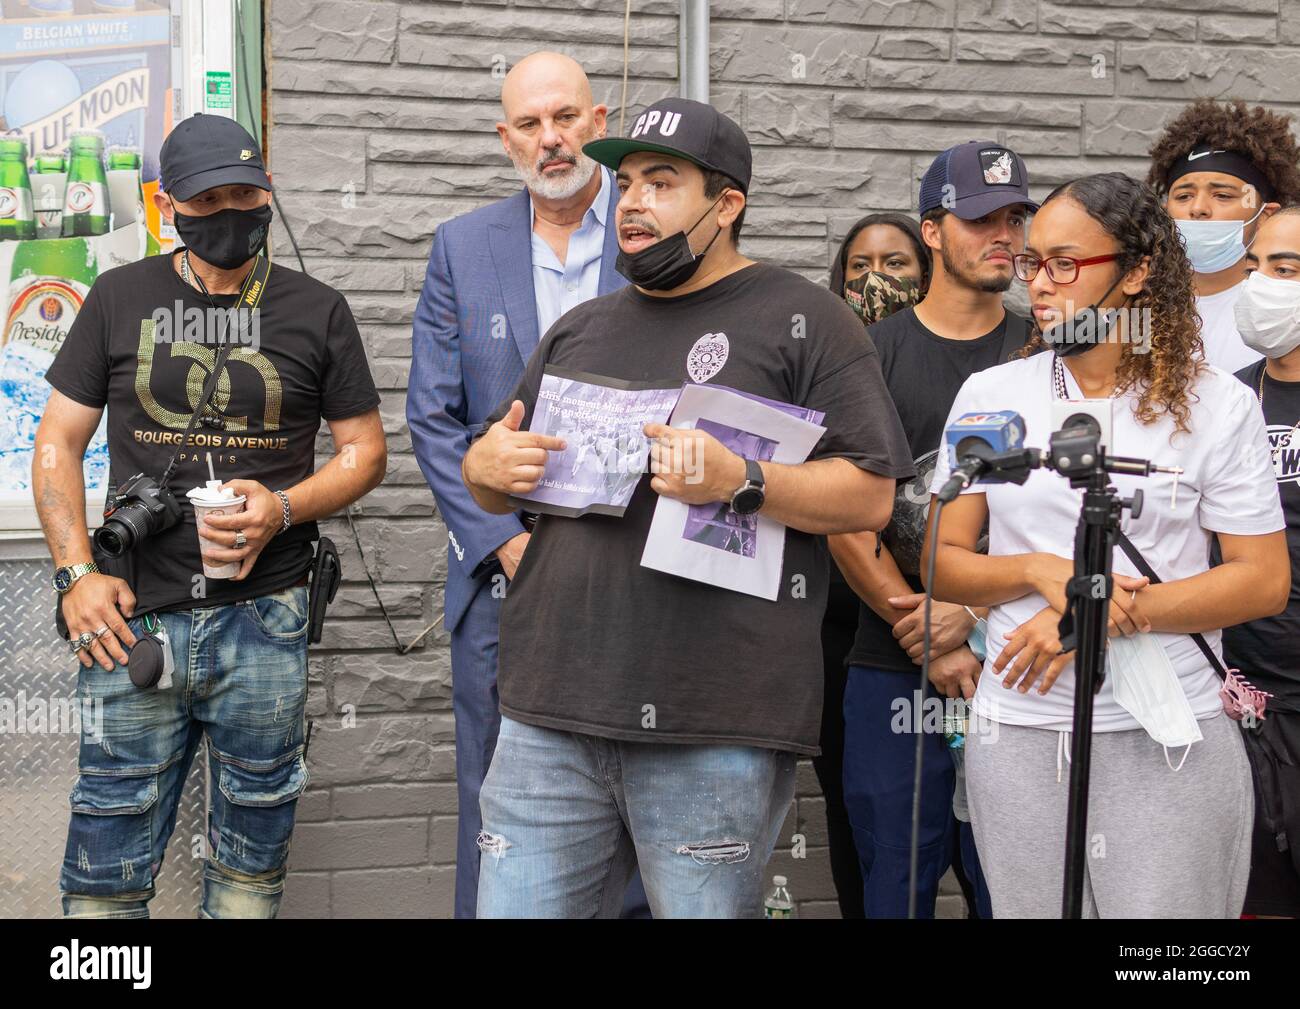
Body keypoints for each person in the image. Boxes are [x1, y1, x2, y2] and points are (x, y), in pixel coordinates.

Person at [461, 97, 913, 918]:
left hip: (715, 724)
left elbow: (871, 492)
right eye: (626, 181)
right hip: (548, 712)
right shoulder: (581, 329)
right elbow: (498, 472)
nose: (632, 200)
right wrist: (485, 466)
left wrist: (741, 477)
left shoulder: (808, 320)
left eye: (661, 182)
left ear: (726, 204)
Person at [34, 113, 386, 918]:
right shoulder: (119, 296)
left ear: (269, 194)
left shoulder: (319, 309)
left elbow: (366, 452)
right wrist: (75, 574)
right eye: (210, 198)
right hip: (131, 620)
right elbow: (57, 439)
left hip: (266, 616)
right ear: (169, 206)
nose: (231, 213)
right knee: (103, 873)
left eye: (247, 193)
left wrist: (283, 507)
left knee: (250, 872)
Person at [927, 171, 1289, 918]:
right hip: (1020, 728)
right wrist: (1039, 570)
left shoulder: (1217, 402)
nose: (1041, 285)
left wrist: (1094, 612)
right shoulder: (991, 394)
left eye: (1065, 263)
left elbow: (1260, 581)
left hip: (1165, 734)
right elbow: (941, 559)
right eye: (1033, 264)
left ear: (1138, 271)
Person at [404, 52, 647, 918]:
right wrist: (502, 541)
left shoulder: (652, 230)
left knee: (637, 800)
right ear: (505, 138)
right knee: (497, 807)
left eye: (567, 118)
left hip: (639, 572)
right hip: (505, 578)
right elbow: (432, 418)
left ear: (600, 120)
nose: (552, 140)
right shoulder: (462, 248)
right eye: (531, 125)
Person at [830, 141, 1035, 919]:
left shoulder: (1045, 353)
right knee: (893, 890)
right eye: (981, 218)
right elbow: (844, 514)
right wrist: (929, 631)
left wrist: (975, 618)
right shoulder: (865, 353)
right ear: (934, 232)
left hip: (1022, 664)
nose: (1004, 236)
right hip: (893, 662)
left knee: (1015, 889)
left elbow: (1069, 515)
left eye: (1016, 217)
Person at [816, 212, 930, 918]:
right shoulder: (826, 359)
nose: (876, 280)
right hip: (840, 622)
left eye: (896, 263)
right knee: (857, 805)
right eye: (858, 267)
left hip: (970, 619)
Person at [1224, 207, 1300, 918]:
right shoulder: (1227, 398)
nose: (1262, 287)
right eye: (1255, 267)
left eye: (1285, 269)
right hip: (1247, 710)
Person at [1147, 99, 1300, 372]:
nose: (1198, 209)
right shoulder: (1135, 301)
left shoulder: (1279, 309)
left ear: (1265, 215)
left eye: (1222, 195)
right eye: (1184, 195)